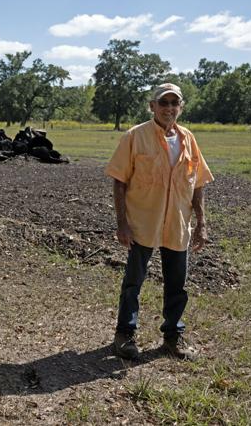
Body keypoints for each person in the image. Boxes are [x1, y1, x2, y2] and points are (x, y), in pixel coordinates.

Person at [105, 83, 213, 360]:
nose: (168, 108)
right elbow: (119, 182)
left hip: (177, 224)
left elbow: (198, 183)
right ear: (152, 106)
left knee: (178, 284)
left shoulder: (189, 139)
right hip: (143, 223)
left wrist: (201, 222)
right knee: (134, 282)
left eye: (173, 103)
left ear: (181, 107)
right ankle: (124, 335)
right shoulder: (135, 137)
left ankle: (172, 338)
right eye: (163, 103)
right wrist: (122, 223)